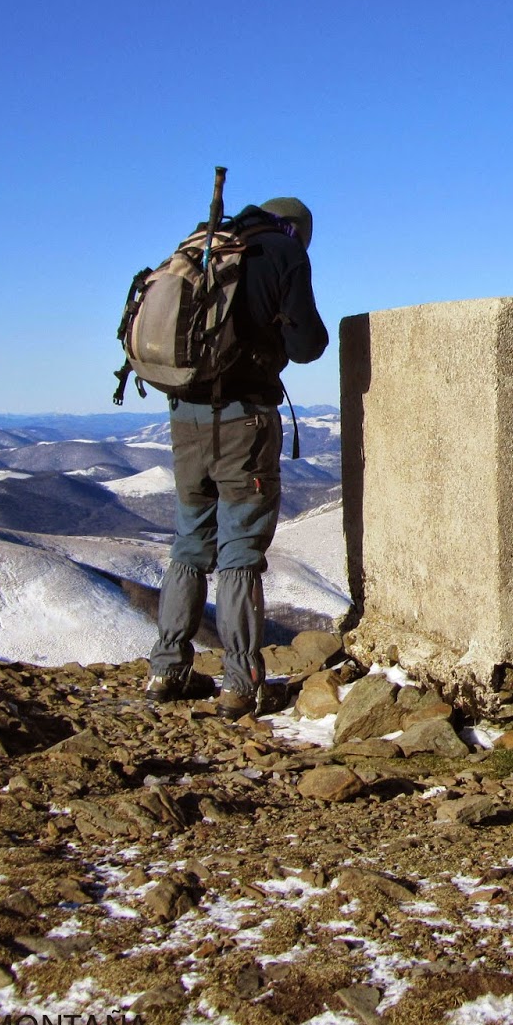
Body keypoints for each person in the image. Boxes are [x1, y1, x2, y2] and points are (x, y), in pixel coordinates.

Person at [145, 196, 328, 717]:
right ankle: (240, 683)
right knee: (240, 550)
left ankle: (166, 670)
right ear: (297, 229)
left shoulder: (208, 245)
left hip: (185, 416)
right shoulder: (284, 252)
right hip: (243, 421)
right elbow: (307, 345)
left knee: (189, 542)